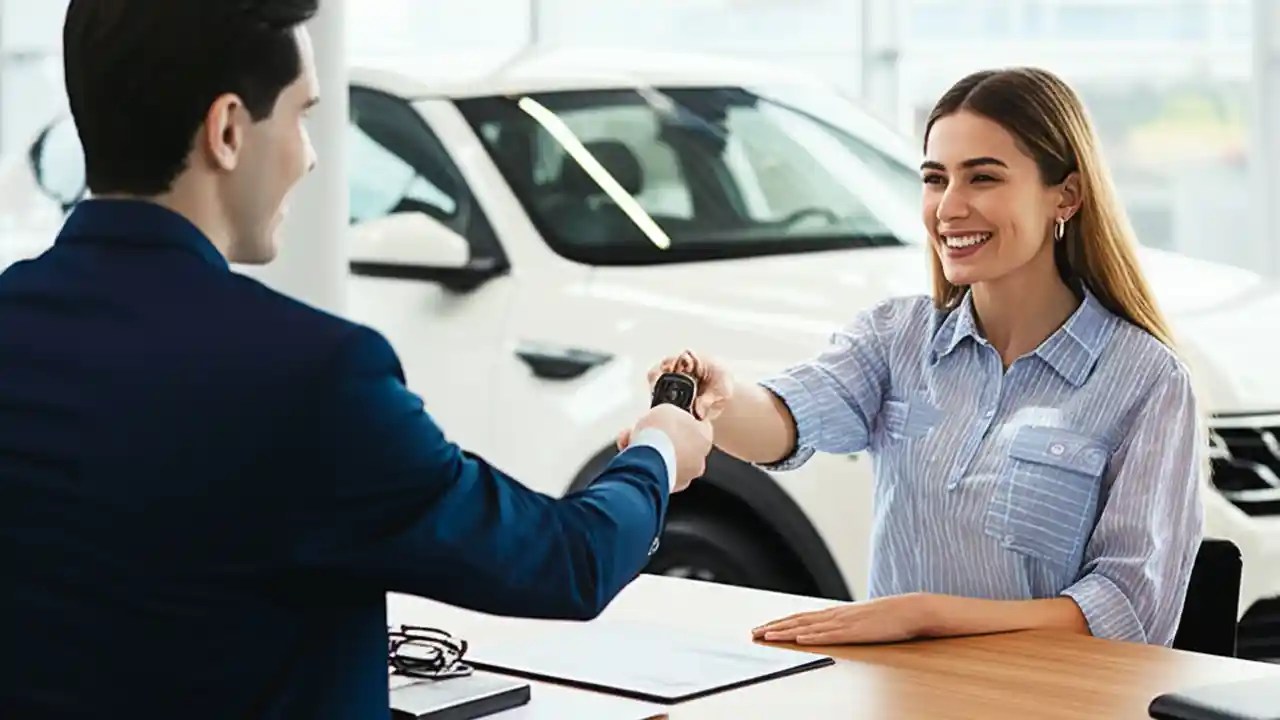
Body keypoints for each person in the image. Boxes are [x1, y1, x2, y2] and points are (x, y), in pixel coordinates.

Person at [0, 2, 713, 718]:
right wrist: (659, 448)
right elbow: (568, 563)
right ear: (227, 131)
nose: (310, 156)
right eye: (302, 115)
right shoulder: (310, 376)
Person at [638, 67, 1205, 648]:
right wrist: (718, 398)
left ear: (1067, 195)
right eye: (936, 180)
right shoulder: (896, 336)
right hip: (901, 696)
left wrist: (925, 617)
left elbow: (1128, 609)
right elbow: (786, 421)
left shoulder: (1148, 380)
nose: (949, 208)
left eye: (983, 178)